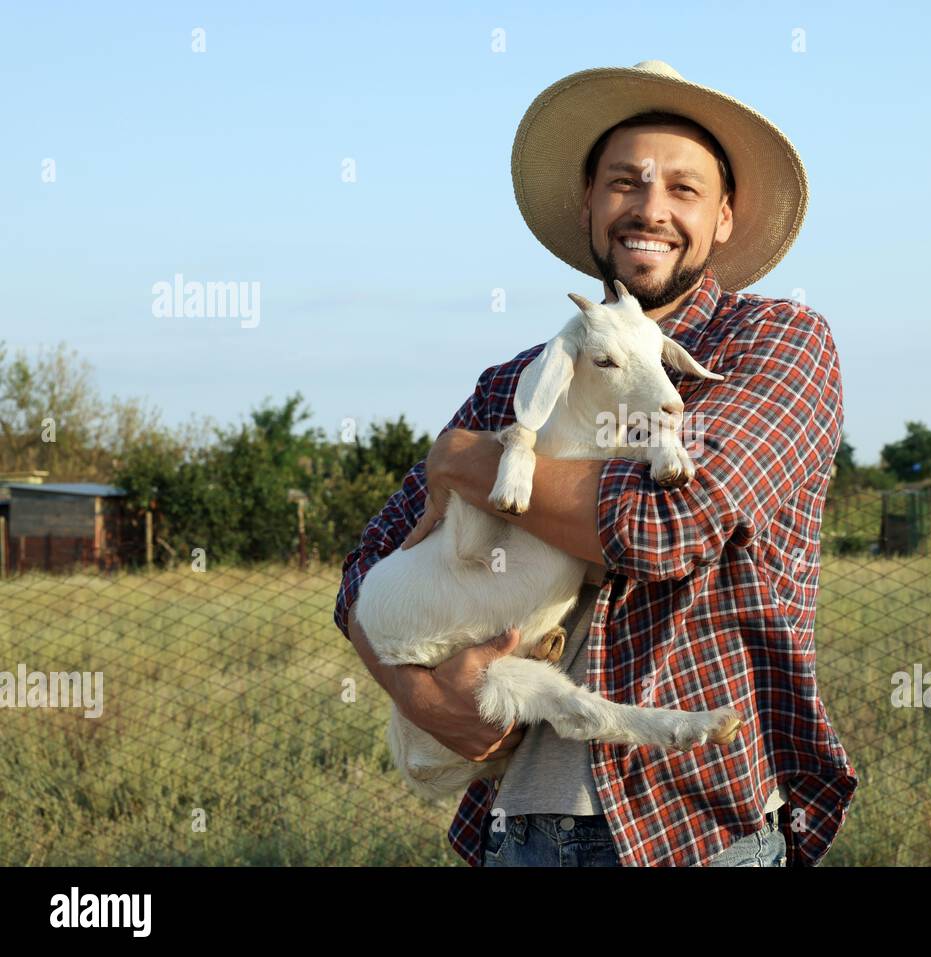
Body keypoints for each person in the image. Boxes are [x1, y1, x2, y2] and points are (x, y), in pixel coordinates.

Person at [334, 59, 857, 867]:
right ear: (588, 203)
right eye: (624, 182)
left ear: (724, 217)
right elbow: (364, 571)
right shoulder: (512, 381)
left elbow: (668, 522)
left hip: (695, 832)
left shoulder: (778, 344)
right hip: (516, 833)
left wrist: (471, 461)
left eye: (683, 189)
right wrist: (423, 695)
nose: (650, 208)